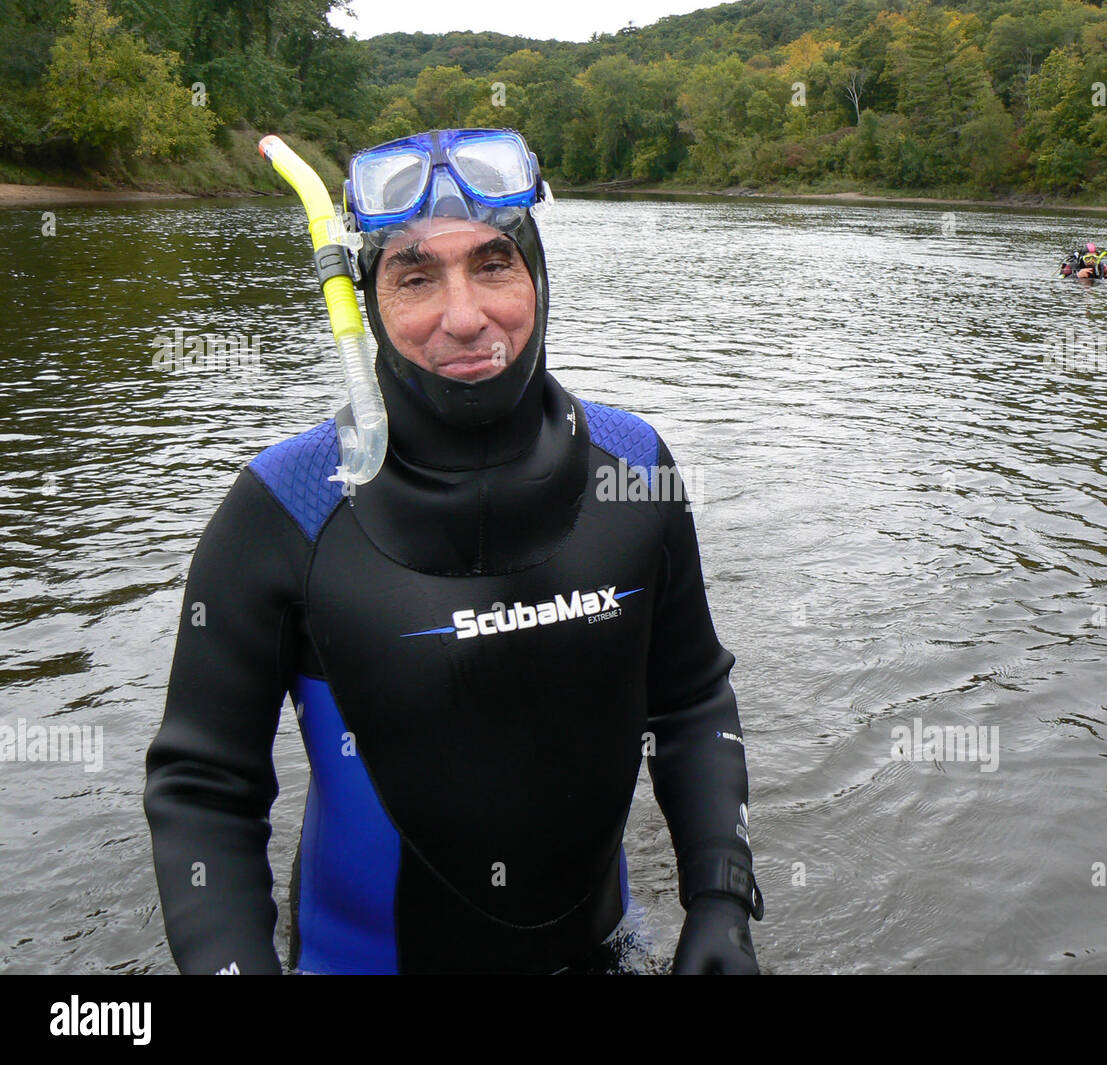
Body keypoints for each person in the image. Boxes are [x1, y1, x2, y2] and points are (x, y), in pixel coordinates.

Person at [143, 128, 764, 975]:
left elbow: (690, 703)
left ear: (539, 276)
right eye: (415, 277)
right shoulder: (286, 506)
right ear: (365, 303)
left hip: (604, 953)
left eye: (494, 264)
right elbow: (204, 785)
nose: (465, 316)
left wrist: (722, 901)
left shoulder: (634, 469)